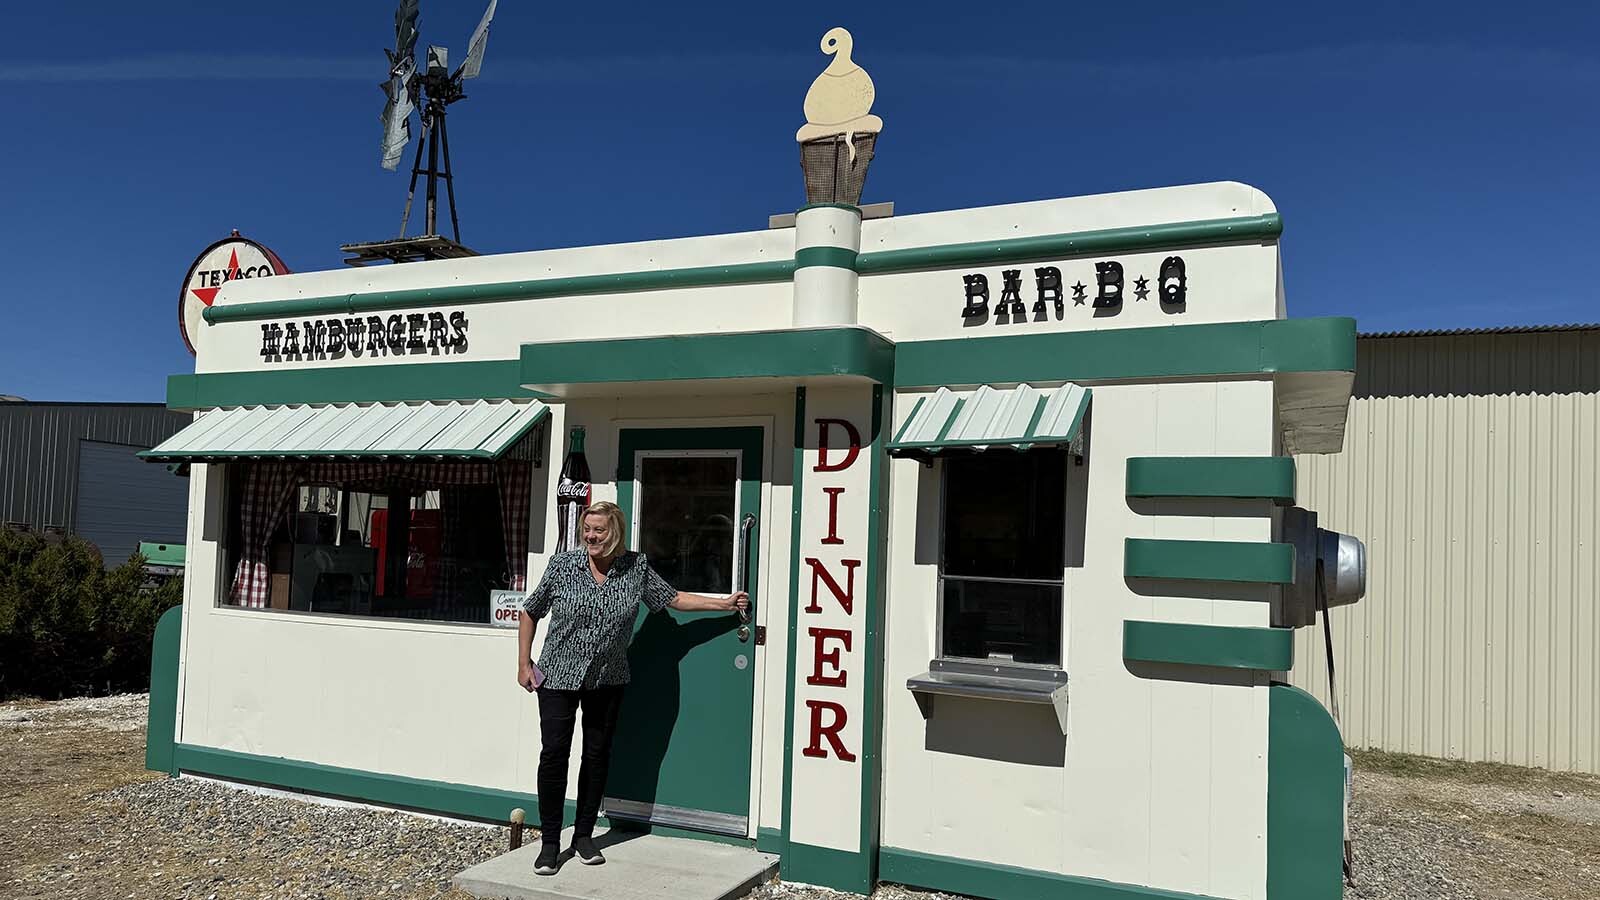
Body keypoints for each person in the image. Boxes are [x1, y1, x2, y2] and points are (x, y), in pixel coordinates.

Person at [516, 500, 747, 876]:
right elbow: (531, 610)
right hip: (557, 676)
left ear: (616, 533)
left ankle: (585, 836)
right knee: (555, 754)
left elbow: (672, 599)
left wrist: (723, 604)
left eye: (599, 530)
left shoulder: (635, 567)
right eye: (587, 529)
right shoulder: (562, 566)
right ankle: (550, 843)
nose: (591, 536)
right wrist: (524, 663)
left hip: (608, 677)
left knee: (597, 756)